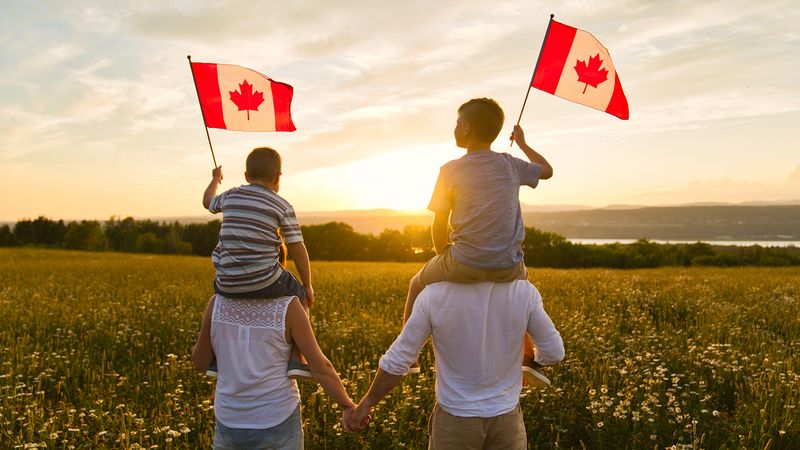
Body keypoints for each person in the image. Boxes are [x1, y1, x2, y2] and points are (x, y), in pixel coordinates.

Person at [402, 98, 554, 382]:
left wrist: (442, 257)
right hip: (509, 265)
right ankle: (528, 357)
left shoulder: (449, 170)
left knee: (416, 284)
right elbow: (546, 170)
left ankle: (409, 356)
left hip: (464, 263)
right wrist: (521, 143)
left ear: (468, 128)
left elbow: (439, 222)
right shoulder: (511, 164)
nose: (455, 128)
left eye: (458, 122)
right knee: (520, 291)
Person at [346, 279, 564, 449]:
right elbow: (554, 352)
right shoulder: (523, 290)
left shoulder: (434, 293)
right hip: (507, 420)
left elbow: (398, 360)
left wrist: (365, 405)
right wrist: (529, 363)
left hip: (455, 423)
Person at [202, 147, 315, 380]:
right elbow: (296, 248)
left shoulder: (231, 195)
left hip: (225, 282)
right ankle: (297, 357)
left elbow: (207, 201)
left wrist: (215, 179)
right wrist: (308, 285)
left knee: (219, 303)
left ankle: (214, 358)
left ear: (246, 176)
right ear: (278, 177)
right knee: (301, 296)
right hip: (264, 280)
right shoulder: (282, 205)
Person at [192, 294, 359, 449]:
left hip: (229, 419)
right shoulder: (289, 306)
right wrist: (348, 406)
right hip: (278, 418)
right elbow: (321, 367)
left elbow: (200, 362)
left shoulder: (217, 303)